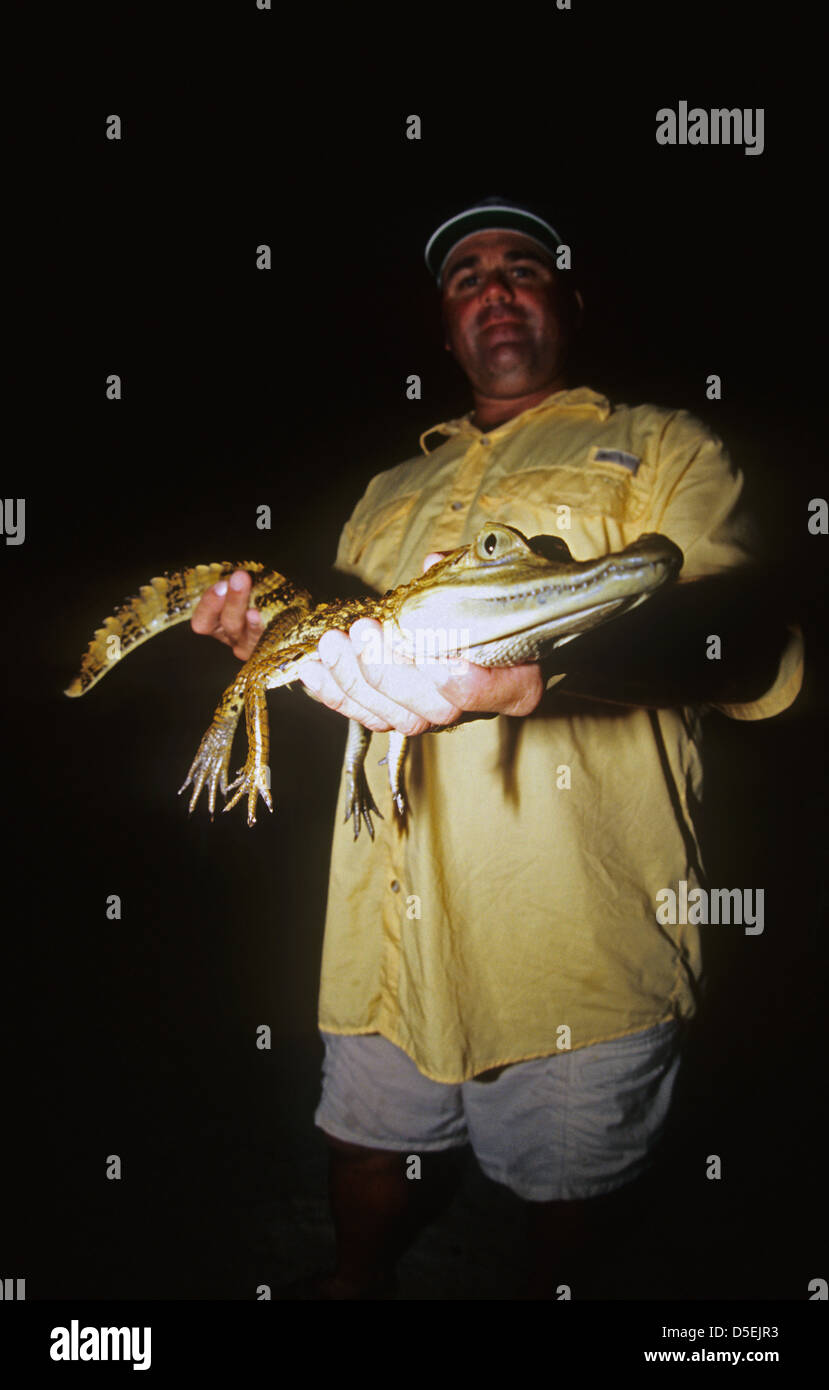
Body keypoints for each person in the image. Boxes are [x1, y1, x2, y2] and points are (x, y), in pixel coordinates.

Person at [192, 197, 803, 1299]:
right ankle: (352, 1283)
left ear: (567, 299)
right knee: (364, 1145)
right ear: (443, 325)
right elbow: (359, 669)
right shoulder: (385, 493)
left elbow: (737, 629)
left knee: (568, 1192)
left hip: (573, 929)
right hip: (381, 923)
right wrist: (266, 641)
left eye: (521, 267)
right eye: (465, 276)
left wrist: (549, 669)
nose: (494, 289)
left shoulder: (668, 441)